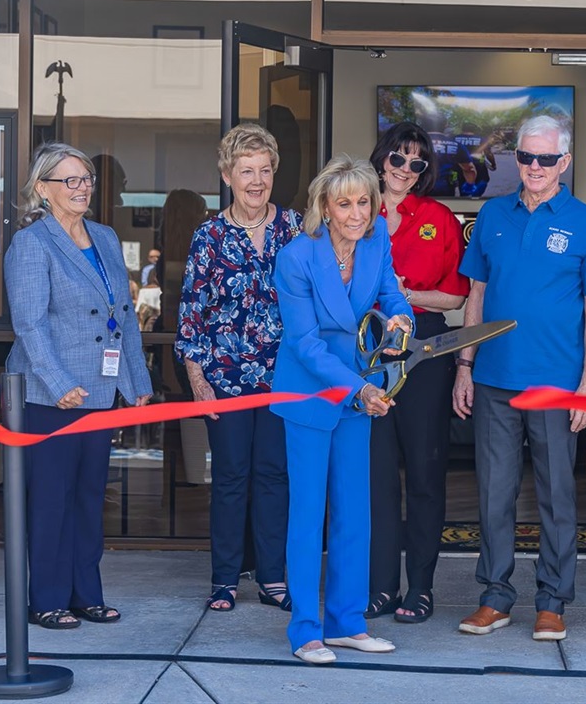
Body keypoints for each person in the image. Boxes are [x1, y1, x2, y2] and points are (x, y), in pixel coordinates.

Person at [453, 114, 586, 643]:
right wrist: (465, 365)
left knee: (556, 496)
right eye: (526, 157)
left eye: (547, 158)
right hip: (496, 381)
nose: (535, 167)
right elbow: (475, 296)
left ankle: (552, 601)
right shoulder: (491, 216)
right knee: (494, 495)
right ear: (515, 159)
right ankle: (495, 597)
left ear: (564, 161)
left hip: (556, 385)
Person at [270, 155, 413, 664]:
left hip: (360, 396)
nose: (357, 213)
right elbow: (306, 344)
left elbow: (393, 296)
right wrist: (360, 389)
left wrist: (400, 323)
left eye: (365, 202)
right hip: (312, 395)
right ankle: (306, 630)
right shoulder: (296, 257)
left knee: (355, 514)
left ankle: (347, 623)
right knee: (308, 517)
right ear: (324, 207)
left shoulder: (377, 242)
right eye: (345, 203)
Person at [4, 143, 152, 630]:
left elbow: (124, 318)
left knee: (90, 497)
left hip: (101, 391)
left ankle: (86, 593)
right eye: (70, 180)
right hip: (51, 395)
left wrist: (137, 383)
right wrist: (59, 382)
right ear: (43, 189)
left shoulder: (106, 238)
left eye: (86, 178)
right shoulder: (33, 243)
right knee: (51, 500)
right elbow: (29, 325)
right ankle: (46, 598)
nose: (82, 187)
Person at [174, 124, 302, 612]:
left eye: (264, 170)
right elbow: (191, 314)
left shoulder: (295, 227)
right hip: (225, 381)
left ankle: (272, 577)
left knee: (274, 475)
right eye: (246, 170)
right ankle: (225, 578)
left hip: (285, 380)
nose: (256, 180)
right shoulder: (209, 236)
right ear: (227, 175)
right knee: (230, 476)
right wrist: (198, 382)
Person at [366, 123, 468, 624]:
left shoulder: (438, 219)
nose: (405, 170)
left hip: (426, 351)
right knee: (375, 478)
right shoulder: (355, 209)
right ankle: (380, 587)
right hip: (367, 354)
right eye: (398, 159)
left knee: (425, 476)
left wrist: (404, 294)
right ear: (382, 158)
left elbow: (456, 296)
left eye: (417, 164)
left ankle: (420, 588)